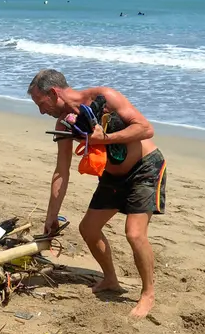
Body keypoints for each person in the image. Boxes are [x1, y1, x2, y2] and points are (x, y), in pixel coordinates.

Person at [27, 68, 165, 318]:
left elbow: (146, 129)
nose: (41, 111)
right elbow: (61, 171)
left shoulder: (105, 98)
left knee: (134, 234)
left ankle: (148, 294)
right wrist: (51, 216)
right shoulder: (64, 124)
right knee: (88, 229)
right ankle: (111, 279)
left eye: (41, 103)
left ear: (54, 92)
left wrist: (105, 139)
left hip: (145, 169)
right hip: (112, 176)